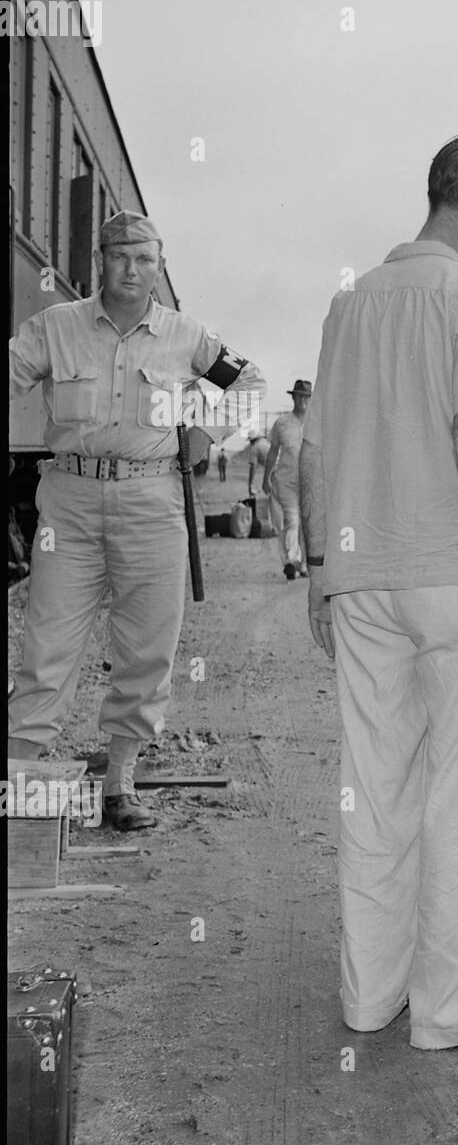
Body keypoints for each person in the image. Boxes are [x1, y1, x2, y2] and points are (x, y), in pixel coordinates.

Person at [300, 131, 458, 1051]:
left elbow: (317, 447)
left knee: (374, 788)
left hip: (364, 578)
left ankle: (371, 994)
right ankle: (455, 1007)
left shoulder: (350, 302)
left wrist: (322, 571)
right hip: (455, 577)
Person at [7, 210, 265, 831]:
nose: (131, 268)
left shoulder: (188, 337)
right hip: (67, 501)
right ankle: (16, 782)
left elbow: (251, 383)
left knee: (148, 648)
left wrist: (209, 430)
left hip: (152, 505)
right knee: (48, 644)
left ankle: (118, 783)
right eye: (119, 255)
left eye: (144, 258)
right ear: (99, 259)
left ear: (160, 266)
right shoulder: (54, 328)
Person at [263, 379, 312, 579]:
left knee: (308, 524)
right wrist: (265, 477)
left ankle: (304, 564)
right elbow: (273, 451)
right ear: (293, 396)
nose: (302, 400)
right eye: (299, 395)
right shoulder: (282, 423)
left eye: (306, 396)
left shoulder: (318, 422)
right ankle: (291, 561)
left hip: (310, 481)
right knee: (292, 520)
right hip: (287, 480)